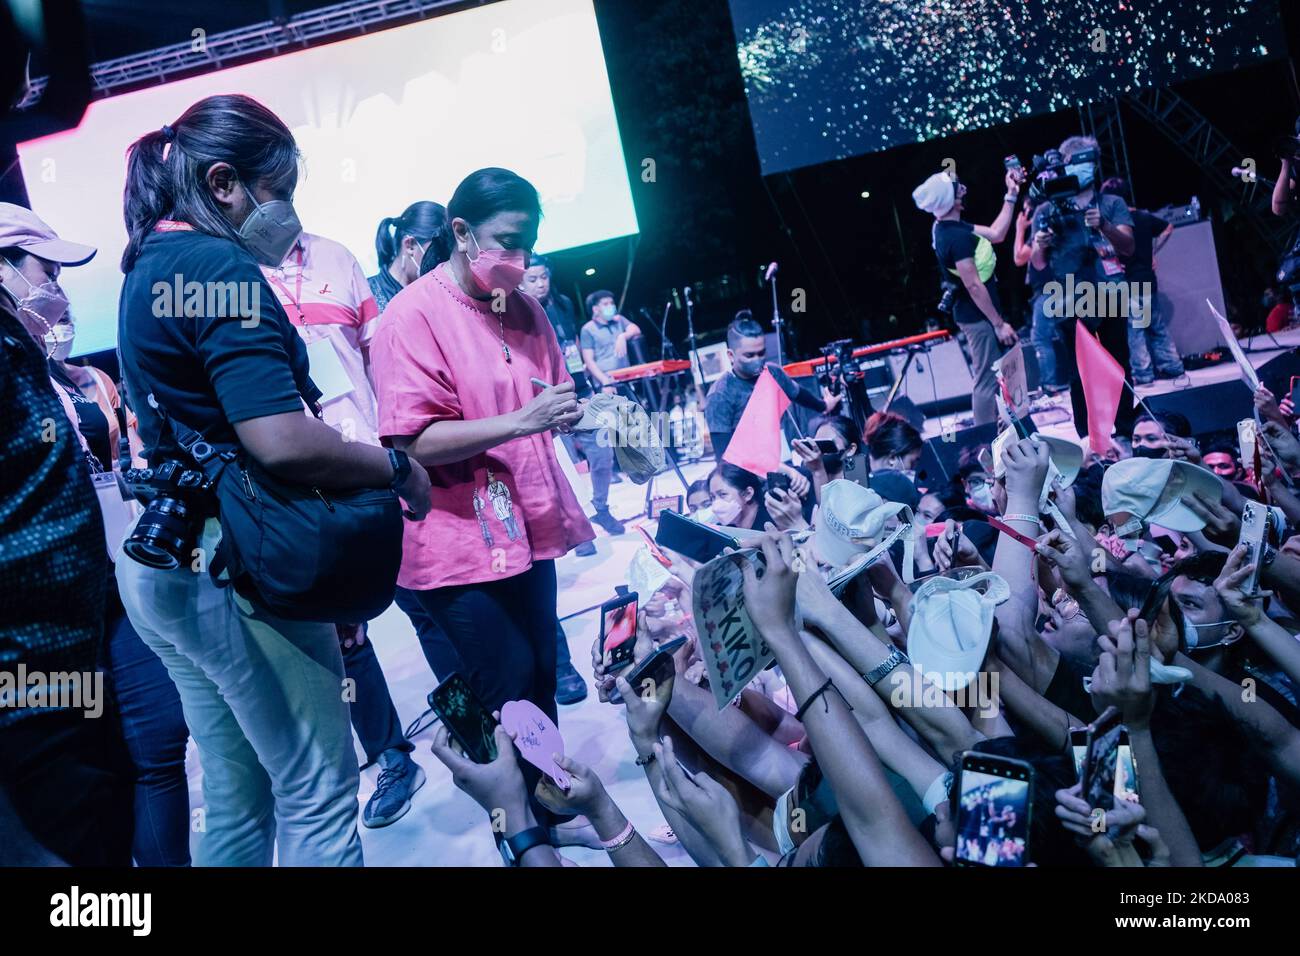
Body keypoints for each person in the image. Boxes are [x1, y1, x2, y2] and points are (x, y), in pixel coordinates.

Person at [114, 95, 431, 867]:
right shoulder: (215, 264)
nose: (286, 211)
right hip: (238, 568)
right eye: (279, 189)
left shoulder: (147, 265)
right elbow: (280, 440)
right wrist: (396, 467)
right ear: (225, 184)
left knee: (239, 796)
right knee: (320, 796)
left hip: (168, 571)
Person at [370, 168, 595, 832]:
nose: (521, 262)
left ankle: (549, 803)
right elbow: (411, 441)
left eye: (530, 245)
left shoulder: (525, 307)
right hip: (455, 540)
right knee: (508, 684)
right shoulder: (410, 316)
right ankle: (519, 823)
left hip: (528, 523)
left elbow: (551, 395)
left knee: (542, 677)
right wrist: (521, 421)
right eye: (508, 243)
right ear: (461, 233)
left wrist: (566, 413)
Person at [3, 207, 192, 866]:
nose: (56, 287)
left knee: (157, 742)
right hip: (33, 640)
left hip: (112, 586)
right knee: (74, 801)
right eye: (44, 270)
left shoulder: (56, 369)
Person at [0, 207, 131, 867]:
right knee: (73, 840)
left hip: (68, 645)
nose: (56, 285)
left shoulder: (20, 347)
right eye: (45, 270)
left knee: (103, 813)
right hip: (24, 666)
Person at [1030, 135, 1137, 442]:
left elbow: (1128, 247)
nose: (1084, 167)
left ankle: (1126, 427)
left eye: (1088, 160)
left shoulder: (1111, 203)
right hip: (1067, 298)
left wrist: (1103, 225)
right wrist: (1039, 246)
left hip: (1110, 293)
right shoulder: (1046, 211)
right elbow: (1038, 264)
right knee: (1079, 372)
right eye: (1077, 161)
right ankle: (1087, 434)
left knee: (1119, 361)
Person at [913, 165, 1021, 425]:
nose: (963, 188)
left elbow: (997, 234)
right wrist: (998, 323)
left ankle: (1002, 427)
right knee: (986, 379)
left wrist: (1011, 195)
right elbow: (973, 285)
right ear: (949, 199)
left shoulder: (948, 227)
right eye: (957, 187)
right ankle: (983, 441)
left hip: (980, 313)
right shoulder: (955, 238)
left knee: (994, 375)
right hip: (977, 317)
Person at [522, 257, 614, 551]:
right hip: (544, 394)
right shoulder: (514, 309)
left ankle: (600, 506)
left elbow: (571, 340)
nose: (541, 283)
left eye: (543, 277)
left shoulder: (562, 302)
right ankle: (579, 526)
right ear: (522, 280)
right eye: (533, 278)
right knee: (563, 466)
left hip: (577, 385)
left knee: (602, 451)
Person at [705, 311, 839, 463]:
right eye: (749, 355)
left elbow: (798, 393)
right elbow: (724, 460)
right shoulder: (720, 394)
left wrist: (824, 405)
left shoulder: (773, 372)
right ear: (730, 355)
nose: (757, 360)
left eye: (761, 353)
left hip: (782, 461)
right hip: (748, 476)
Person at [1099, 178, 1186, 387]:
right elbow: (1168, 227)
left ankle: (1143, 373)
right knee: (1156, 325)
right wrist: (1152, 251)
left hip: (1130, 279)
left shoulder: (1120, 221)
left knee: (1136, 329)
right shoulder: (1144, 217)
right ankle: (1172, 366)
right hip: (1147, 276)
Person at [368, 201, 452, 315]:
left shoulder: (439, 298)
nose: (442, 265)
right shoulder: (366, 294)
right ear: (410, 245)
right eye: (437, 256)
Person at [707, 463, 771, 531]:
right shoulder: (722, 531)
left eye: (723, 494)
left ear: (747, 494)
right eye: (713, 497)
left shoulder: (774, 521)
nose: (715, 508)